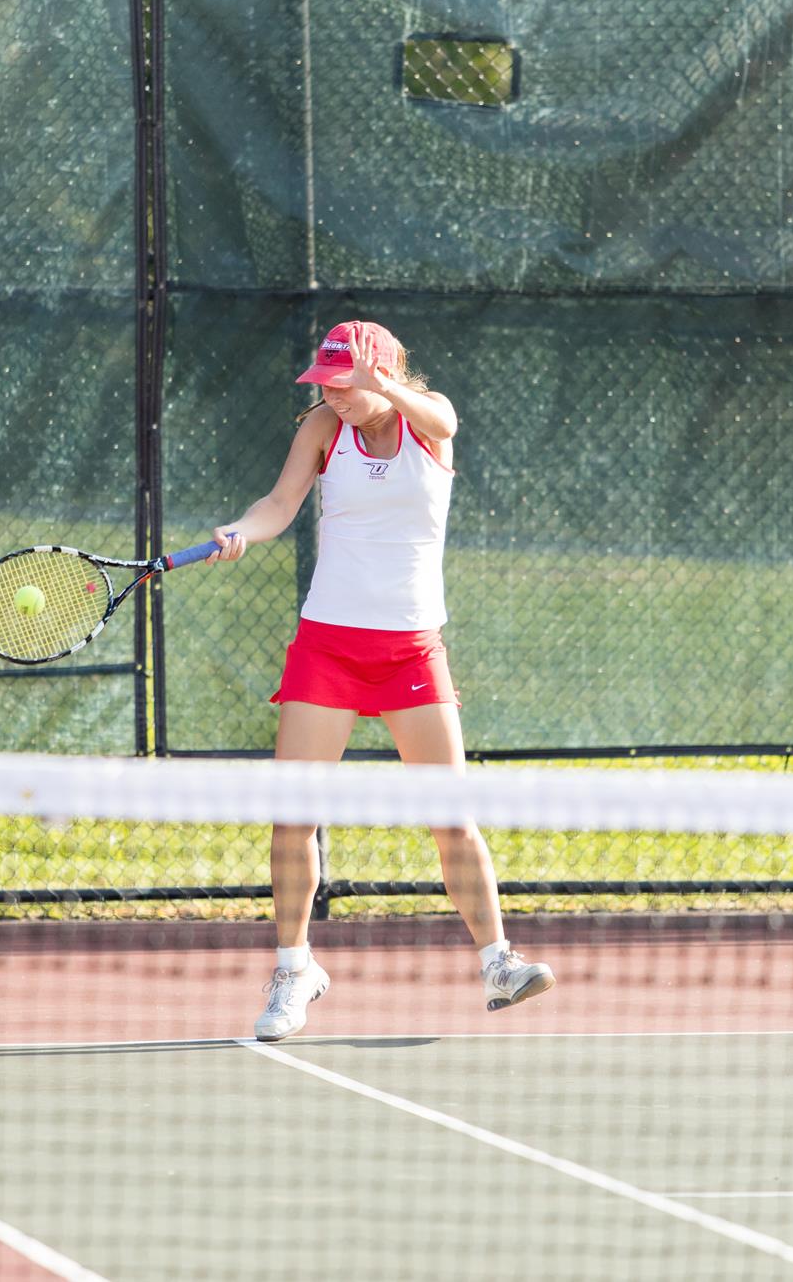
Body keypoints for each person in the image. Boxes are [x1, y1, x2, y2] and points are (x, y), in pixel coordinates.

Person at [209, 319, 556, 1042]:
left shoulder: (429, 426)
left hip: (411, 651)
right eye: (325, 382)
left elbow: (442, 415)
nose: (333, 393)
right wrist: (243, 528)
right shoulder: (319, 427)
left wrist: (384, 384)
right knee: (292, 813)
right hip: (327, 647)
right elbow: (279, 504)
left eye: (345, 380)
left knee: (450, 816)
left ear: (382, 373)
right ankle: (293, 967)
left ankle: (498, 961)